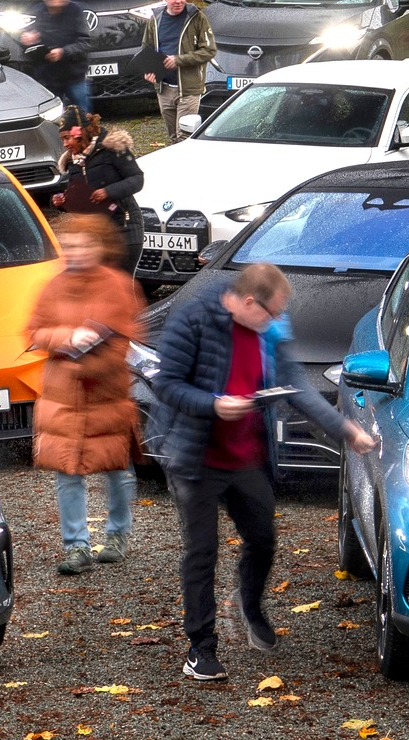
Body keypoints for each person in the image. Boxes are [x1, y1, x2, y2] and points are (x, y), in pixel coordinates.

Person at [148, 262, 378, 681]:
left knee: (263, 538)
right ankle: (201, 648)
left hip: (245, 455)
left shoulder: (269, 330)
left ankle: (250, 607)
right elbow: (166, 384)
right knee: (202, 553)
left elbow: (295, 387)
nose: (277, 324)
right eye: (271, 314)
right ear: (249, 302)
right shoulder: (194, 317)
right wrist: (214, 404)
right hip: (194, 456)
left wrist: (346, 430)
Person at [26, 214, 147, 575]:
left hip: (105, 393)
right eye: (69, 245)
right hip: (63, 396)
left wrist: (87, 366)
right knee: (67, 472)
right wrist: (67, 338)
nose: (74, 252)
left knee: (117, 469)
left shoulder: (117, 286)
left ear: (99, 247)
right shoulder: (53, 286)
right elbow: (34, 332)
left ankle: (117, 536)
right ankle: (76, 545)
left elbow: (125, 340)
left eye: (82, 245)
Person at [54, 120, 145, 268]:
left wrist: (108, 192)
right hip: (95, 234)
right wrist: (62, 201)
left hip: (125, 228)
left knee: (120, 283)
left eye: (67, 137)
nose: (64, 144)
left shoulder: (112, 149)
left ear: (80, 135)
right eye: (62, 139)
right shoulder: (72, 162)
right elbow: (78, 196)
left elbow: (137, 179)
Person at [139, 0, 216, 141]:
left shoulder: (197, 17)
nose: (179, 1)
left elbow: (209, 50)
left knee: (184, 136)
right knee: (173, 136)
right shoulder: (155, 19)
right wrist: (148, 70)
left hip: (189, 88)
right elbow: (146, 48)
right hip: (164, 87)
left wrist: (179, 60)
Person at [20, 0, 96, 121]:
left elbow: (85, 43)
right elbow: (24, 44)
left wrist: (63, 52)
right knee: (50, 120)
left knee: (83, 117)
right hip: (47, 77)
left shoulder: (76, 11)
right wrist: (27, 41)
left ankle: (88, 141)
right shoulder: (35, 12)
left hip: (74, 76)